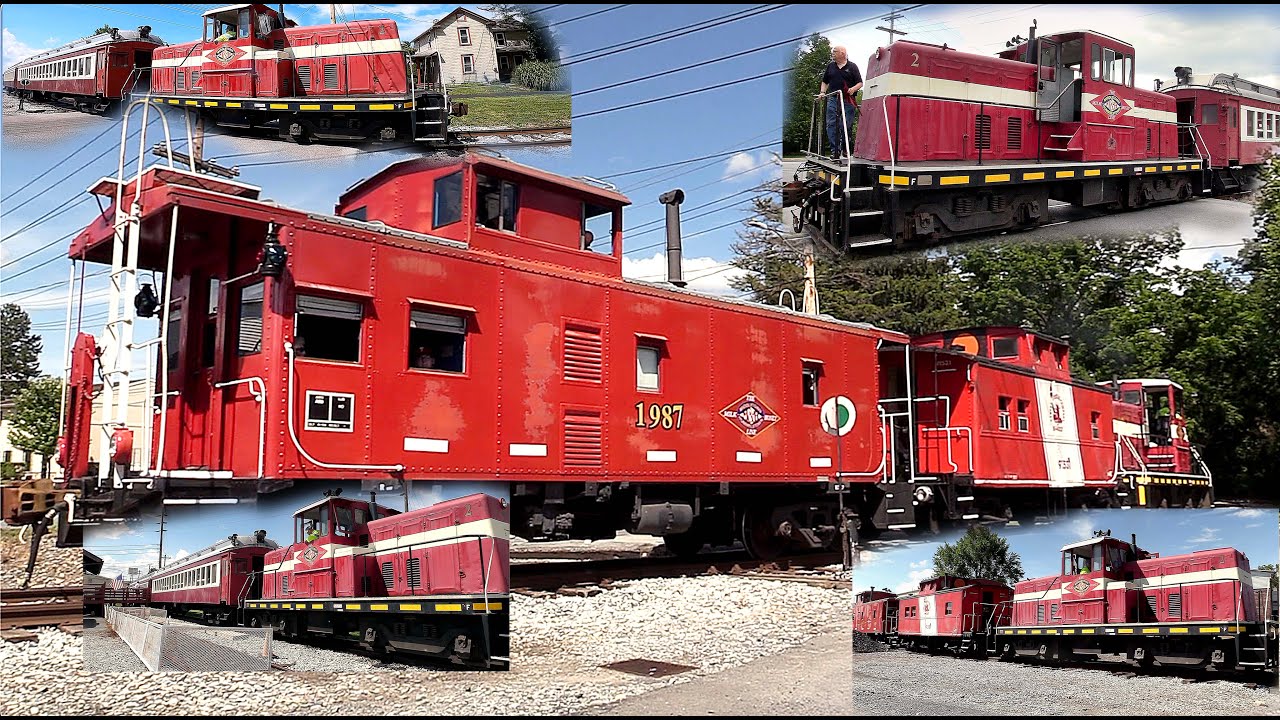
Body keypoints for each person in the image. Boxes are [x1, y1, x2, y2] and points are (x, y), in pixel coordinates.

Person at [819, 46, 863, 159]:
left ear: (842, 53)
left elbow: (860, 83)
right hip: (833, 98)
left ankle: (845, 148)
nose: (832, 53)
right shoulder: (830, 66)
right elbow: (825, 81)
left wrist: (853, 89)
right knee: (831, 124)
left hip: (848, 100)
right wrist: (822, 92)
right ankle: (835, 151)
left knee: (846, 125)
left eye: (835, 52)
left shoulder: (852, 66)